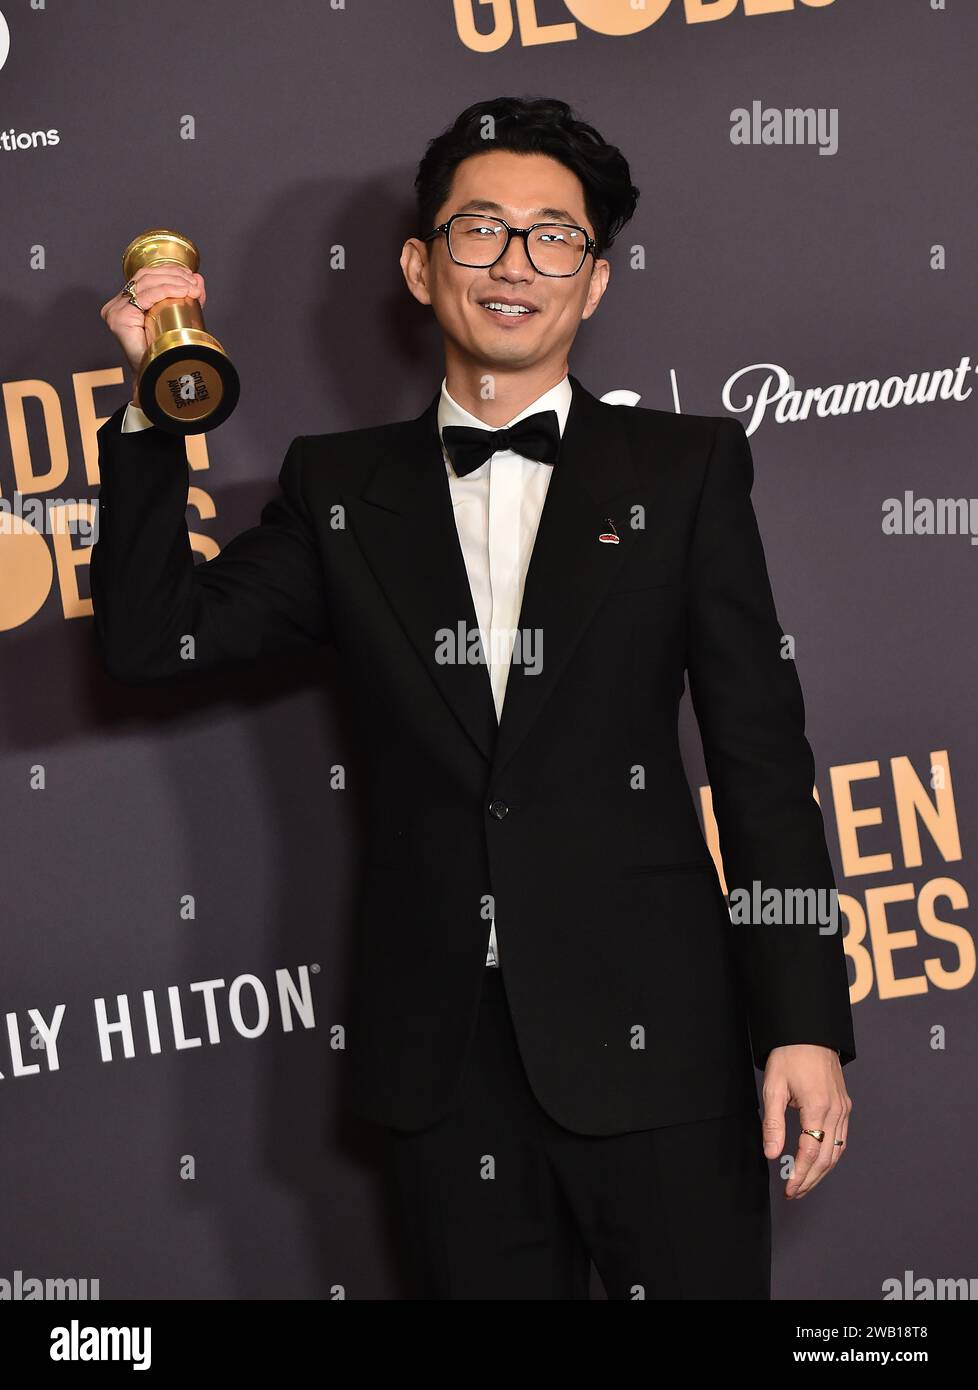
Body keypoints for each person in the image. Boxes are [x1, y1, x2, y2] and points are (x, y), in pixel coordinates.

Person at [93, 95, 855, 1300]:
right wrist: (148, 407)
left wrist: (806, 1019)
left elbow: (761, 758)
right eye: (479, 230)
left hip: (662, 1051)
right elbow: (151, 640)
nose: (514, 264)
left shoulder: (688, 467)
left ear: (594, 282)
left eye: (555, 238)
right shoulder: (336, 488)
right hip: (441, 1072)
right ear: (417, 262)